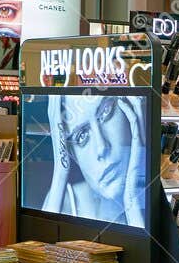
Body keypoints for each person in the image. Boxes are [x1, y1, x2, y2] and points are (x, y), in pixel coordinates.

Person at [38, 95, 147, 227]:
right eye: (81, 136)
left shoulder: (164, 195)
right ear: (72, 153)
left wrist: (134, 204)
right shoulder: (68, 201)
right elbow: (41, 243)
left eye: (106, 112)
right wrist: (60, 171)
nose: (102, 148)